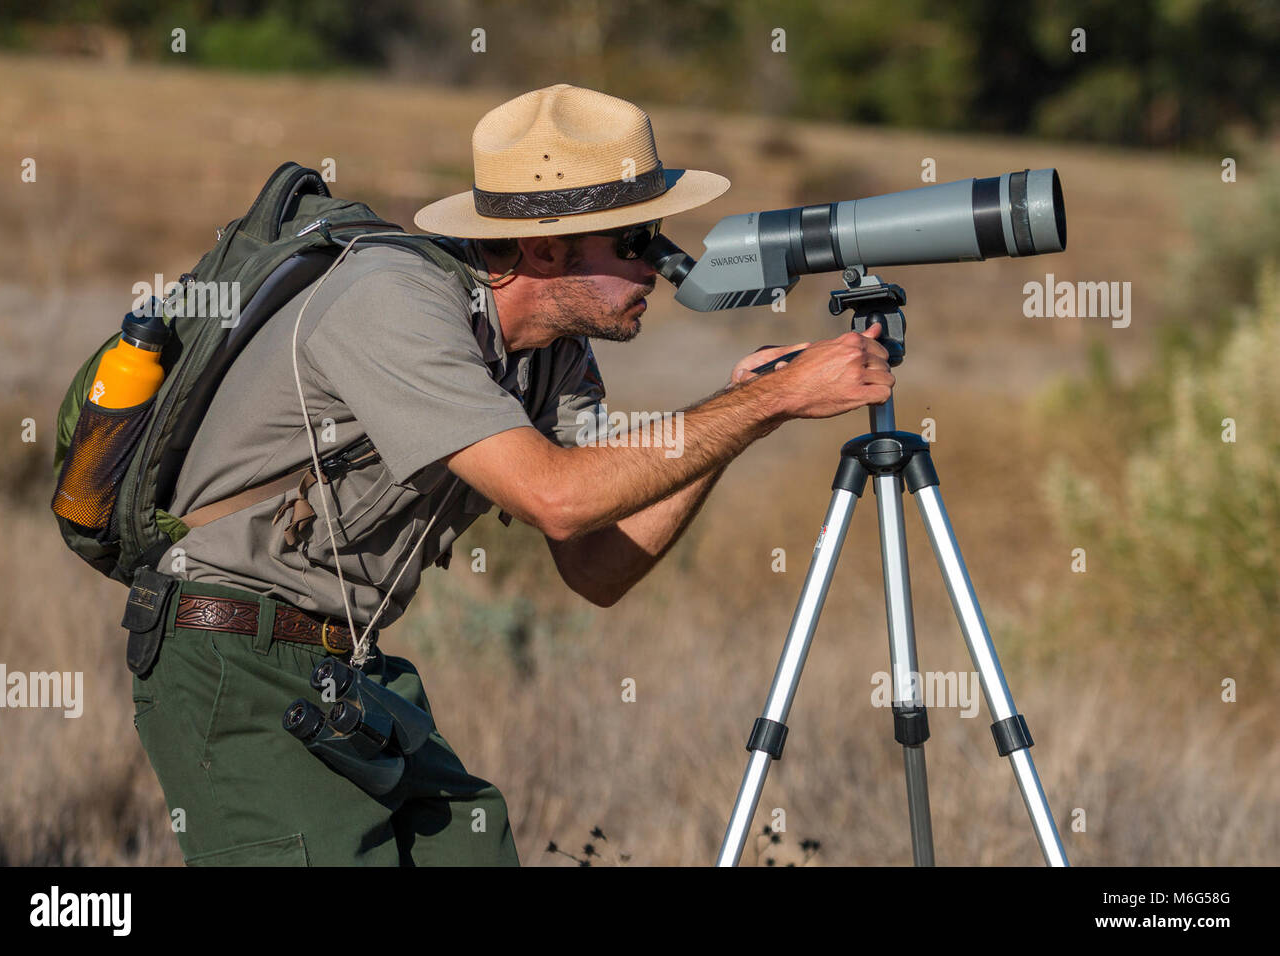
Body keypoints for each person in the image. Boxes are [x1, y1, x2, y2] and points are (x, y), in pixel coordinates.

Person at [132, 83, 894, 866]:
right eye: (635, 240)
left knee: (472, 846)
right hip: (233, 658)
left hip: (347, 661)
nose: (662, 265)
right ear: (544, 249)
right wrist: (774, 397)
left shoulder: (554, 355)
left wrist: (749, 411)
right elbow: (556, 496)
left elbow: (597, 565)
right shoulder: (392, 301)